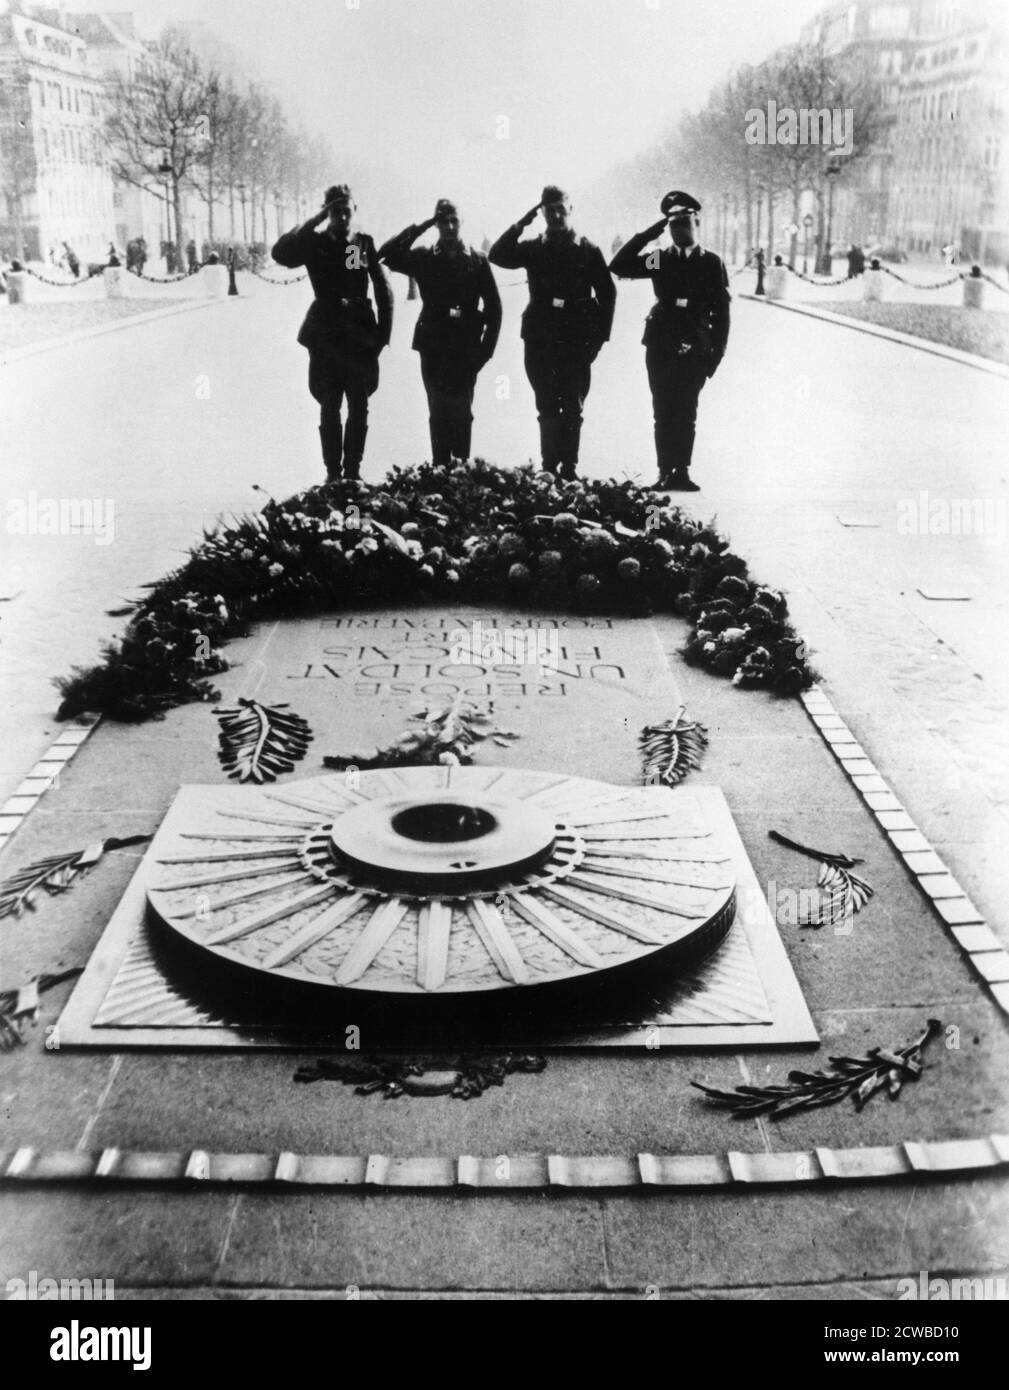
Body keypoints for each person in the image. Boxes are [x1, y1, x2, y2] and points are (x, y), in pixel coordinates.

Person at [489, 185, 615, 479]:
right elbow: (497, 254)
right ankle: (549, 466)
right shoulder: (533, 247)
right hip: (540, 336)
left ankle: (569, 468)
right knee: (545, 401)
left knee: (572, 404)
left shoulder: (587, 249)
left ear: (571, 210)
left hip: (575, 338)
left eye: (561, 208)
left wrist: (598, 338)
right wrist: (521, 223)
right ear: (541, 213)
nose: (556, 215)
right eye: (549, 210)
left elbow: (608, 292)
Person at [610, 191, 730, 492]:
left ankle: (682, 472)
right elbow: (620, 266)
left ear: (697, 223)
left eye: (686, 223)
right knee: (663, 410)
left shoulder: (712, 263)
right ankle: (665, 471)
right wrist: (648, 234)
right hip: (661, 343)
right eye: (674, 225)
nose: (680, 230)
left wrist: (714, 357)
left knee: (687, 411)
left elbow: (722, 315)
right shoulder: (659, 259)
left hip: (695, 345)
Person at [272, 184, 393, 481]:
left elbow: (381, 286)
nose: (341, 217)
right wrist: (313, 221)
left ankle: (353, 471)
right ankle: (332, 473)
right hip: (326, 334)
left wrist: (382, 334)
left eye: (346, 211)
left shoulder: (359, 244)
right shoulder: (314, 243)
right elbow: (281, 254)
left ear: (355, 211)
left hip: (359, 337)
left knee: (359, 405)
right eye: (334, 211)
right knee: (329, 404)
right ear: (327, 213)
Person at [379, 199, 501, 466]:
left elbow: (494, 307)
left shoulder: (477, 260)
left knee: (463, 409)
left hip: (466, 344)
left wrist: (486, 351)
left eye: (454, 220)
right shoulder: (423, 257)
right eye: (442, 221)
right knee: (438, 408)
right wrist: (421, 226)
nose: (449, 226)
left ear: (462, 223)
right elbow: (386, 253)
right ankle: (439, 466)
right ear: (436, 224)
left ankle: (460, 466)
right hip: (433, 342)